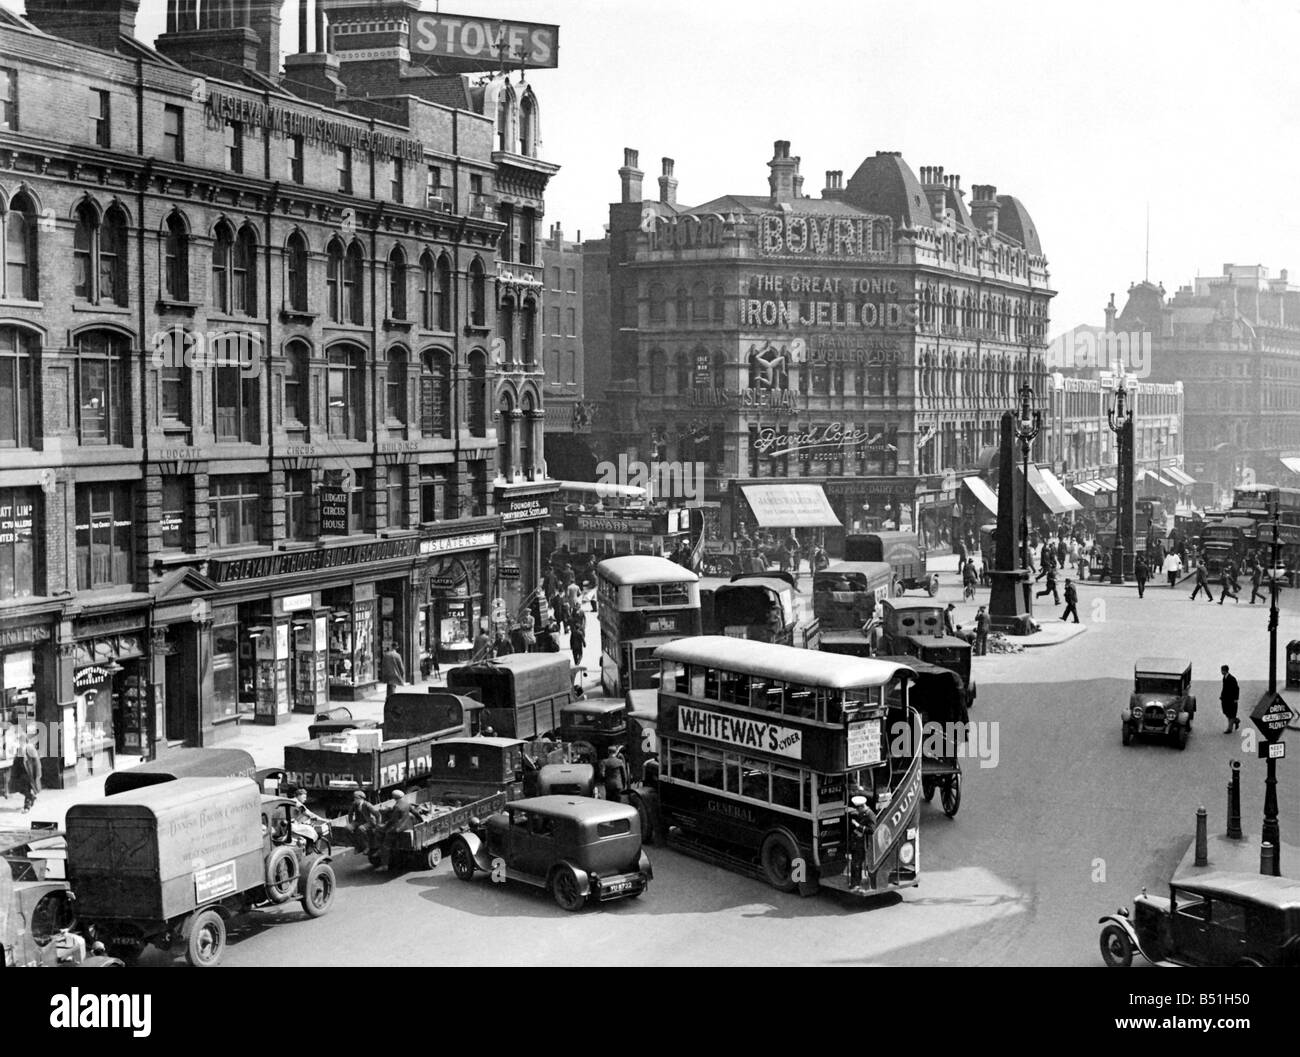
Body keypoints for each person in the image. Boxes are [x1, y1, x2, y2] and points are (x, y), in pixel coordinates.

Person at [379, 789, 422, 870]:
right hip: (407, 826)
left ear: (394, 797)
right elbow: (415, 813)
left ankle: (385, 865)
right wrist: (421, 820)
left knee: (385, 845)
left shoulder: (397, 806)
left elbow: (392, 820)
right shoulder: (406, 804)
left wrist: (384, 826)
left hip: (397, 829)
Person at [847, 794, 877, 892]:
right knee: (855, 864)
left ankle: (857, 884)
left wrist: (858, 826)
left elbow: (872, 830)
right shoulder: (862, 813)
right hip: (857, 842)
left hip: (863, 844)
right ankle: (854, 884)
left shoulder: (870, 814)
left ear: (861, 806)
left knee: (857, 864)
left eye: (858, 808)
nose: (857, 810)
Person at [10, 732, 40, 813]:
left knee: (27, 788)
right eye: (20, 741)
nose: (21, 742)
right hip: (21, 774)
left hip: (29, 774)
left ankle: (27, 806)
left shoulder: (30, 748)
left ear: (25, 741)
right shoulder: (20, 749)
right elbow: (16, 762)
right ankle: (31, 797)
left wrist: (37, 774)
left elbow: (37, 763)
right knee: (20, 789)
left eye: (22, 741)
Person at [347, 790, 382, 858]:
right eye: (354, 798)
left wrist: (378, 826)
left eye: (356, 798)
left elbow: (378, 815)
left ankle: (367, 846)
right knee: (347, 828)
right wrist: (351, 823)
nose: (355, 800)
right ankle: (357, 845)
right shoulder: (354, 804)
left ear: (361, 799)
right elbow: (350, 814)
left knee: (361, 828)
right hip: (358, 821)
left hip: (368, 822)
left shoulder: (367, 805)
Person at [1220, 664, 1240, 734]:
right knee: (1226, 712)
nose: (1221, 672)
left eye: (1222, 670)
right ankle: (1236, 721)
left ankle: (1229, 729)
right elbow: (1224, 688)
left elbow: (1237, 688)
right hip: (1225, 699)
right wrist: (1222, 696)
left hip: (1231, 699)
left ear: (1225, 671)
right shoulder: (1224, 678)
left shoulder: (1232, 678)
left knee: (1231, 713)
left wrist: (1236, 698)